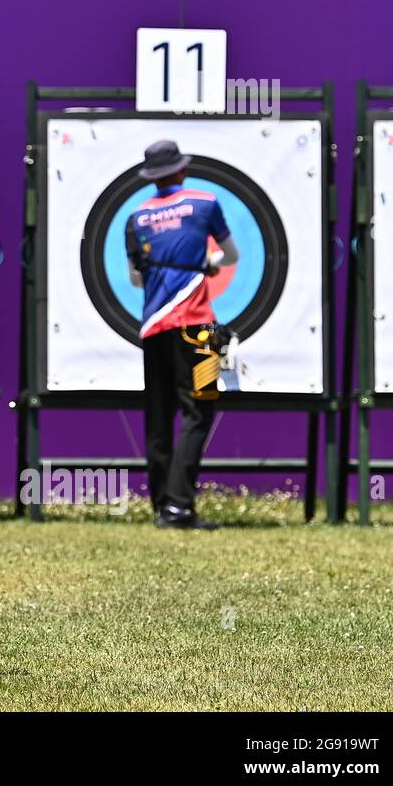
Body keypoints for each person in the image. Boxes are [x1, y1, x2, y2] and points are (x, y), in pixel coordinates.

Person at [124, 140, 239, 530]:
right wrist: (205, 263)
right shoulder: (205, 202)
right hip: (197, 329)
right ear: (180, 170)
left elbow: (136, 279)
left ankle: (161, 506)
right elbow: (232, 256)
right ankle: (179, 508)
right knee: (199, 411)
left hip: (153, 328)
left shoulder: (136, 217)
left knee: (158, 416)